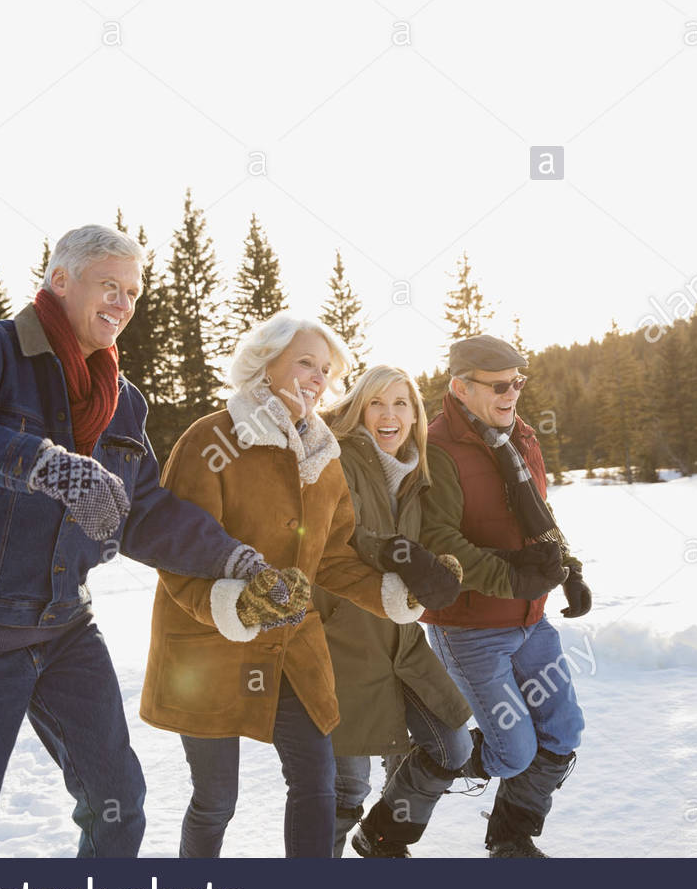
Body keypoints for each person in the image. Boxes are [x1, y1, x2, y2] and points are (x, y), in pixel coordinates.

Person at [0, 225, 286, 858]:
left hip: (63, 627)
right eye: (108, 285)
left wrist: (233, 560)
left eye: (133, 293)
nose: (122, 304)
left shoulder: (121, 401)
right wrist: (35, 461)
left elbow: (139, 509)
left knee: (120, 810)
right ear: (61, 281)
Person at [140, 314, 463, 858]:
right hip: (209, 648)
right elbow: (176, 551)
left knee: (317, 787)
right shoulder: (213, 438)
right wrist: (238, 603)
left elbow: (333, 559)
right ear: (266, 365)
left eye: (325, 369)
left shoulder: (324, 458)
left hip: (294, 647)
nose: (316, 377)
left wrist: (396, 594)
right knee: (217, 800)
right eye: (304, 363)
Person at [420, 335, 592, 858]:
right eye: (499, 384)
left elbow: (540, 516)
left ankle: (510, 841)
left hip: (530, 620)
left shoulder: (519, 437)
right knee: (512, 751)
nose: (512, 391)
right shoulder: (437, 449)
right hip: (469, 625)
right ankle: (426, 764)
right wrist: (511, 579)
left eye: (518, 381)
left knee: (562, 733)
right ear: (461, 387)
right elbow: (439, 541)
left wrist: (570, 570)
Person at [317, 365, 475, 858]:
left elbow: (435, 537)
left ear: (415, 413)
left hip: (401, 638)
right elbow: (345, 533)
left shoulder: (415, 471)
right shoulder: (338, 458)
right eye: (377, 403)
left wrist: (446, 567)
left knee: (452, 746)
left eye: (401, 403)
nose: (389, 415)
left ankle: (381, 839)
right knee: (345, 790)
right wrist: (403, 556)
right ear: (358, 409)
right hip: (344, 638)